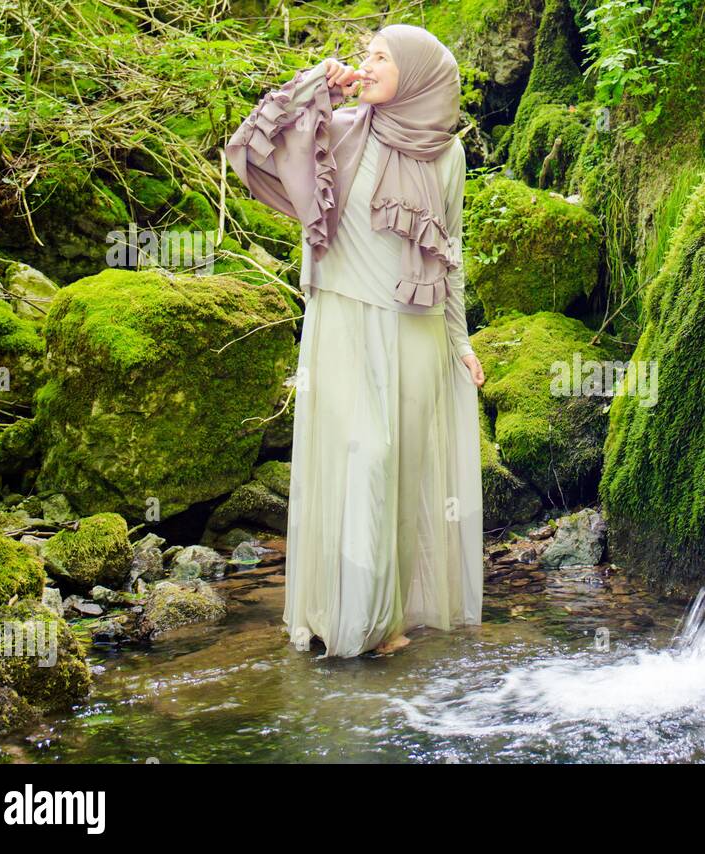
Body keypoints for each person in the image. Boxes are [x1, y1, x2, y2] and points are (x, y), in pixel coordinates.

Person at [225, 23, 485, 658]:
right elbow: (249, 148)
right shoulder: (338, 128)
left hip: (414, 329)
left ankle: (385, 620)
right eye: (364, 55)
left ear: (418, 77)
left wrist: (461, 340)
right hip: (342, 320)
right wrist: (319, 81)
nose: (366, 65)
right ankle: (342, 615)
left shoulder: (446, 156)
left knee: (400, 471)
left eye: (381, 58)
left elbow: (448, 253)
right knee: (364, 454)